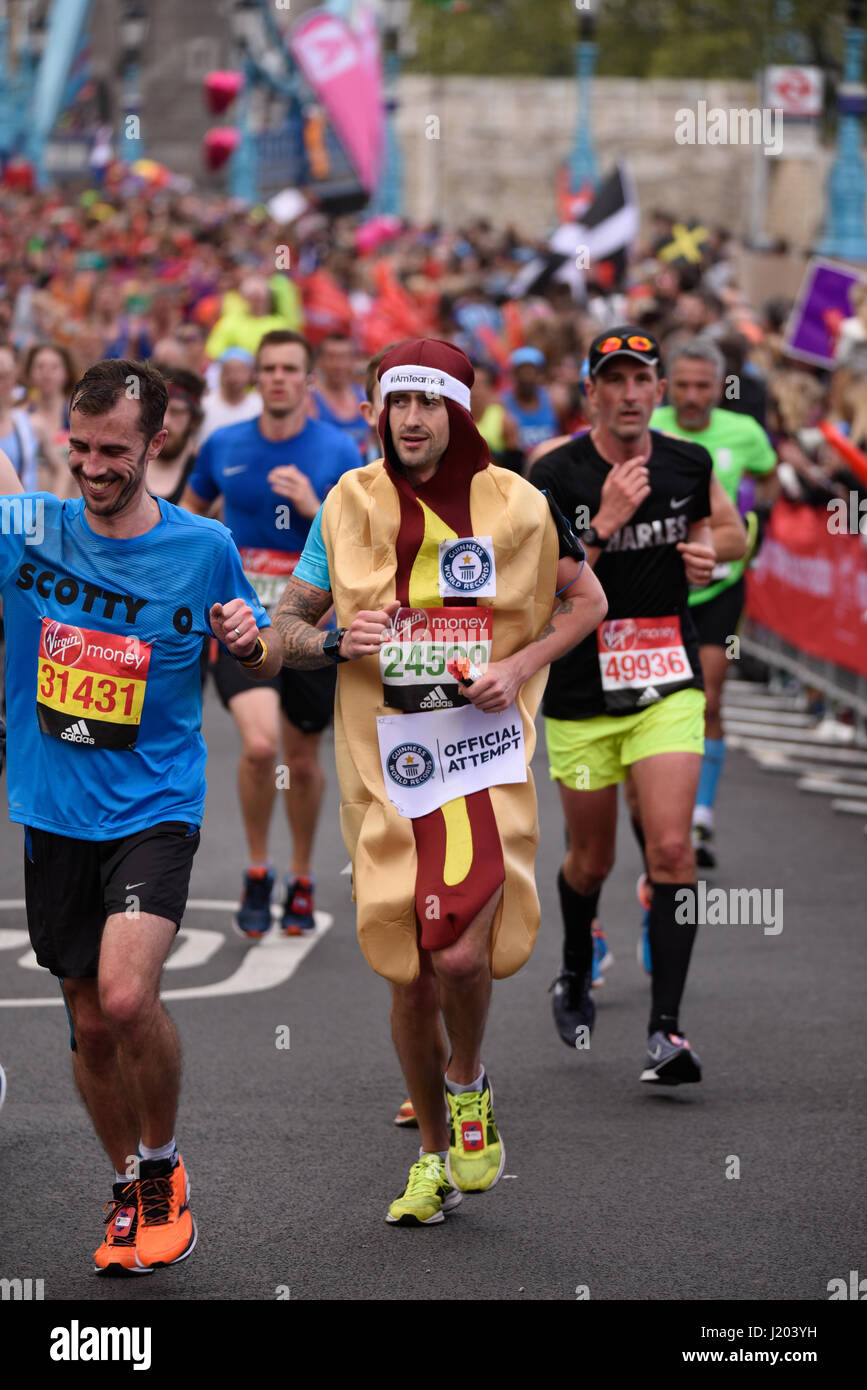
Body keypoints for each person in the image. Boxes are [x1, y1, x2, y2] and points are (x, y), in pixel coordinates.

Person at [272, 338, 607, 1224]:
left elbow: (588, 602)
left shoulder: (520, 505)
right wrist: (339, 640)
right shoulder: (346, 504)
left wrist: (520, 663)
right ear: (377, 411)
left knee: (459, 953)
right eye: (395, 402)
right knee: (408, 973)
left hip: (478, 762)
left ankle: (467, 1083)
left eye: (428, 402)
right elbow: (286, 623)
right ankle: (429, 1150)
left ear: (457, 411)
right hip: (384, 771)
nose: (410, 419)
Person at [0, 361, 279, 1274]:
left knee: (125, 997)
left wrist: (253, 640)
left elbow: (269, 644)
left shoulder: (202, 549)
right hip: (52, 813)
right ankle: (126, 1186)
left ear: (156, 442)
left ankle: (160, 1167)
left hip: (153, 808)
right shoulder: (28, 530)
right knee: (85, 1018)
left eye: (112, 450)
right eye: (77, 448)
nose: (92, 466)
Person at [529, 326, 747, 1083]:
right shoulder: (553, 471)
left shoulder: (687, 460)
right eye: (612, 381)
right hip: (583, 692)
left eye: (640, 380)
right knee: (591, 860)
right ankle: (572, 962)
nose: (628, 395)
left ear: (657, 390)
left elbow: (732, 529)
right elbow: (535, 585)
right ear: (590, 390)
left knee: (671, 851)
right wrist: (609, 521)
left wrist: (713, 549)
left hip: (666, 681)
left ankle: (666, 1032)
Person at [182, 330, 360, 936]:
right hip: (244, 622)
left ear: (309, 381)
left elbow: (363, 548)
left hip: (311, 627)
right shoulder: (223, 444)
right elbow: (186, 518)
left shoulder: (338, 451)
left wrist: (315, 507)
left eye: (290, 369)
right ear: (255, 379)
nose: (278, 378)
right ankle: (258, 870)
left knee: (303, 762)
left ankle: (302, 875)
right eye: (269, 369)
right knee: (261, 748)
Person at [651, 338, 776, 868]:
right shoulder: (649, 426)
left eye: (704, 386)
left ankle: (699, 816)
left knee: (709, 695)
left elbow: (768, 479)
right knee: (656, 699)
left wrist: (755, 527)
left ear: (719, 387)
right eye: (683, 386)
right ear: (667, 387)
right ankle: (659, 808)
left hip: (721, 587)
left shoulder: (743, 433)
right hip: (657, 587)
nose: (694, 396)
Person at [147, 365, 206, 506]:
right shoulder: (130, 464)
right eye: (160, 411)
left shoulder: (203, 472)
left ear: (193, 419)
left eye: (176, 411)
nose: (165, 421)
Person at [309, 334, 370, 460]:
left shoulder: (366, 397)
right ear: (319, 361)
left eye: (343, 357)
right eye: (331, 357)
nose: (338, 365)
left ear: (354, 361)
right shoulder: (309, 401)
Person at [502, 346, 561, 453]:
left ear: (540, 374)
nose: (527, 377)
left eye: (531, 372)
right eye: (522, 372)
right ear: (514, 375)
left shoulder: (554, 402)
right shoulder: (502, 404)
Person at [199, 348, 262, 443]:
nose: (233, 377)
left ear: (249, 373)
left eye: (239, 371)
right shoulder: (204, 404)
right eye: (228, 371)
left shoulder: (260, 405)